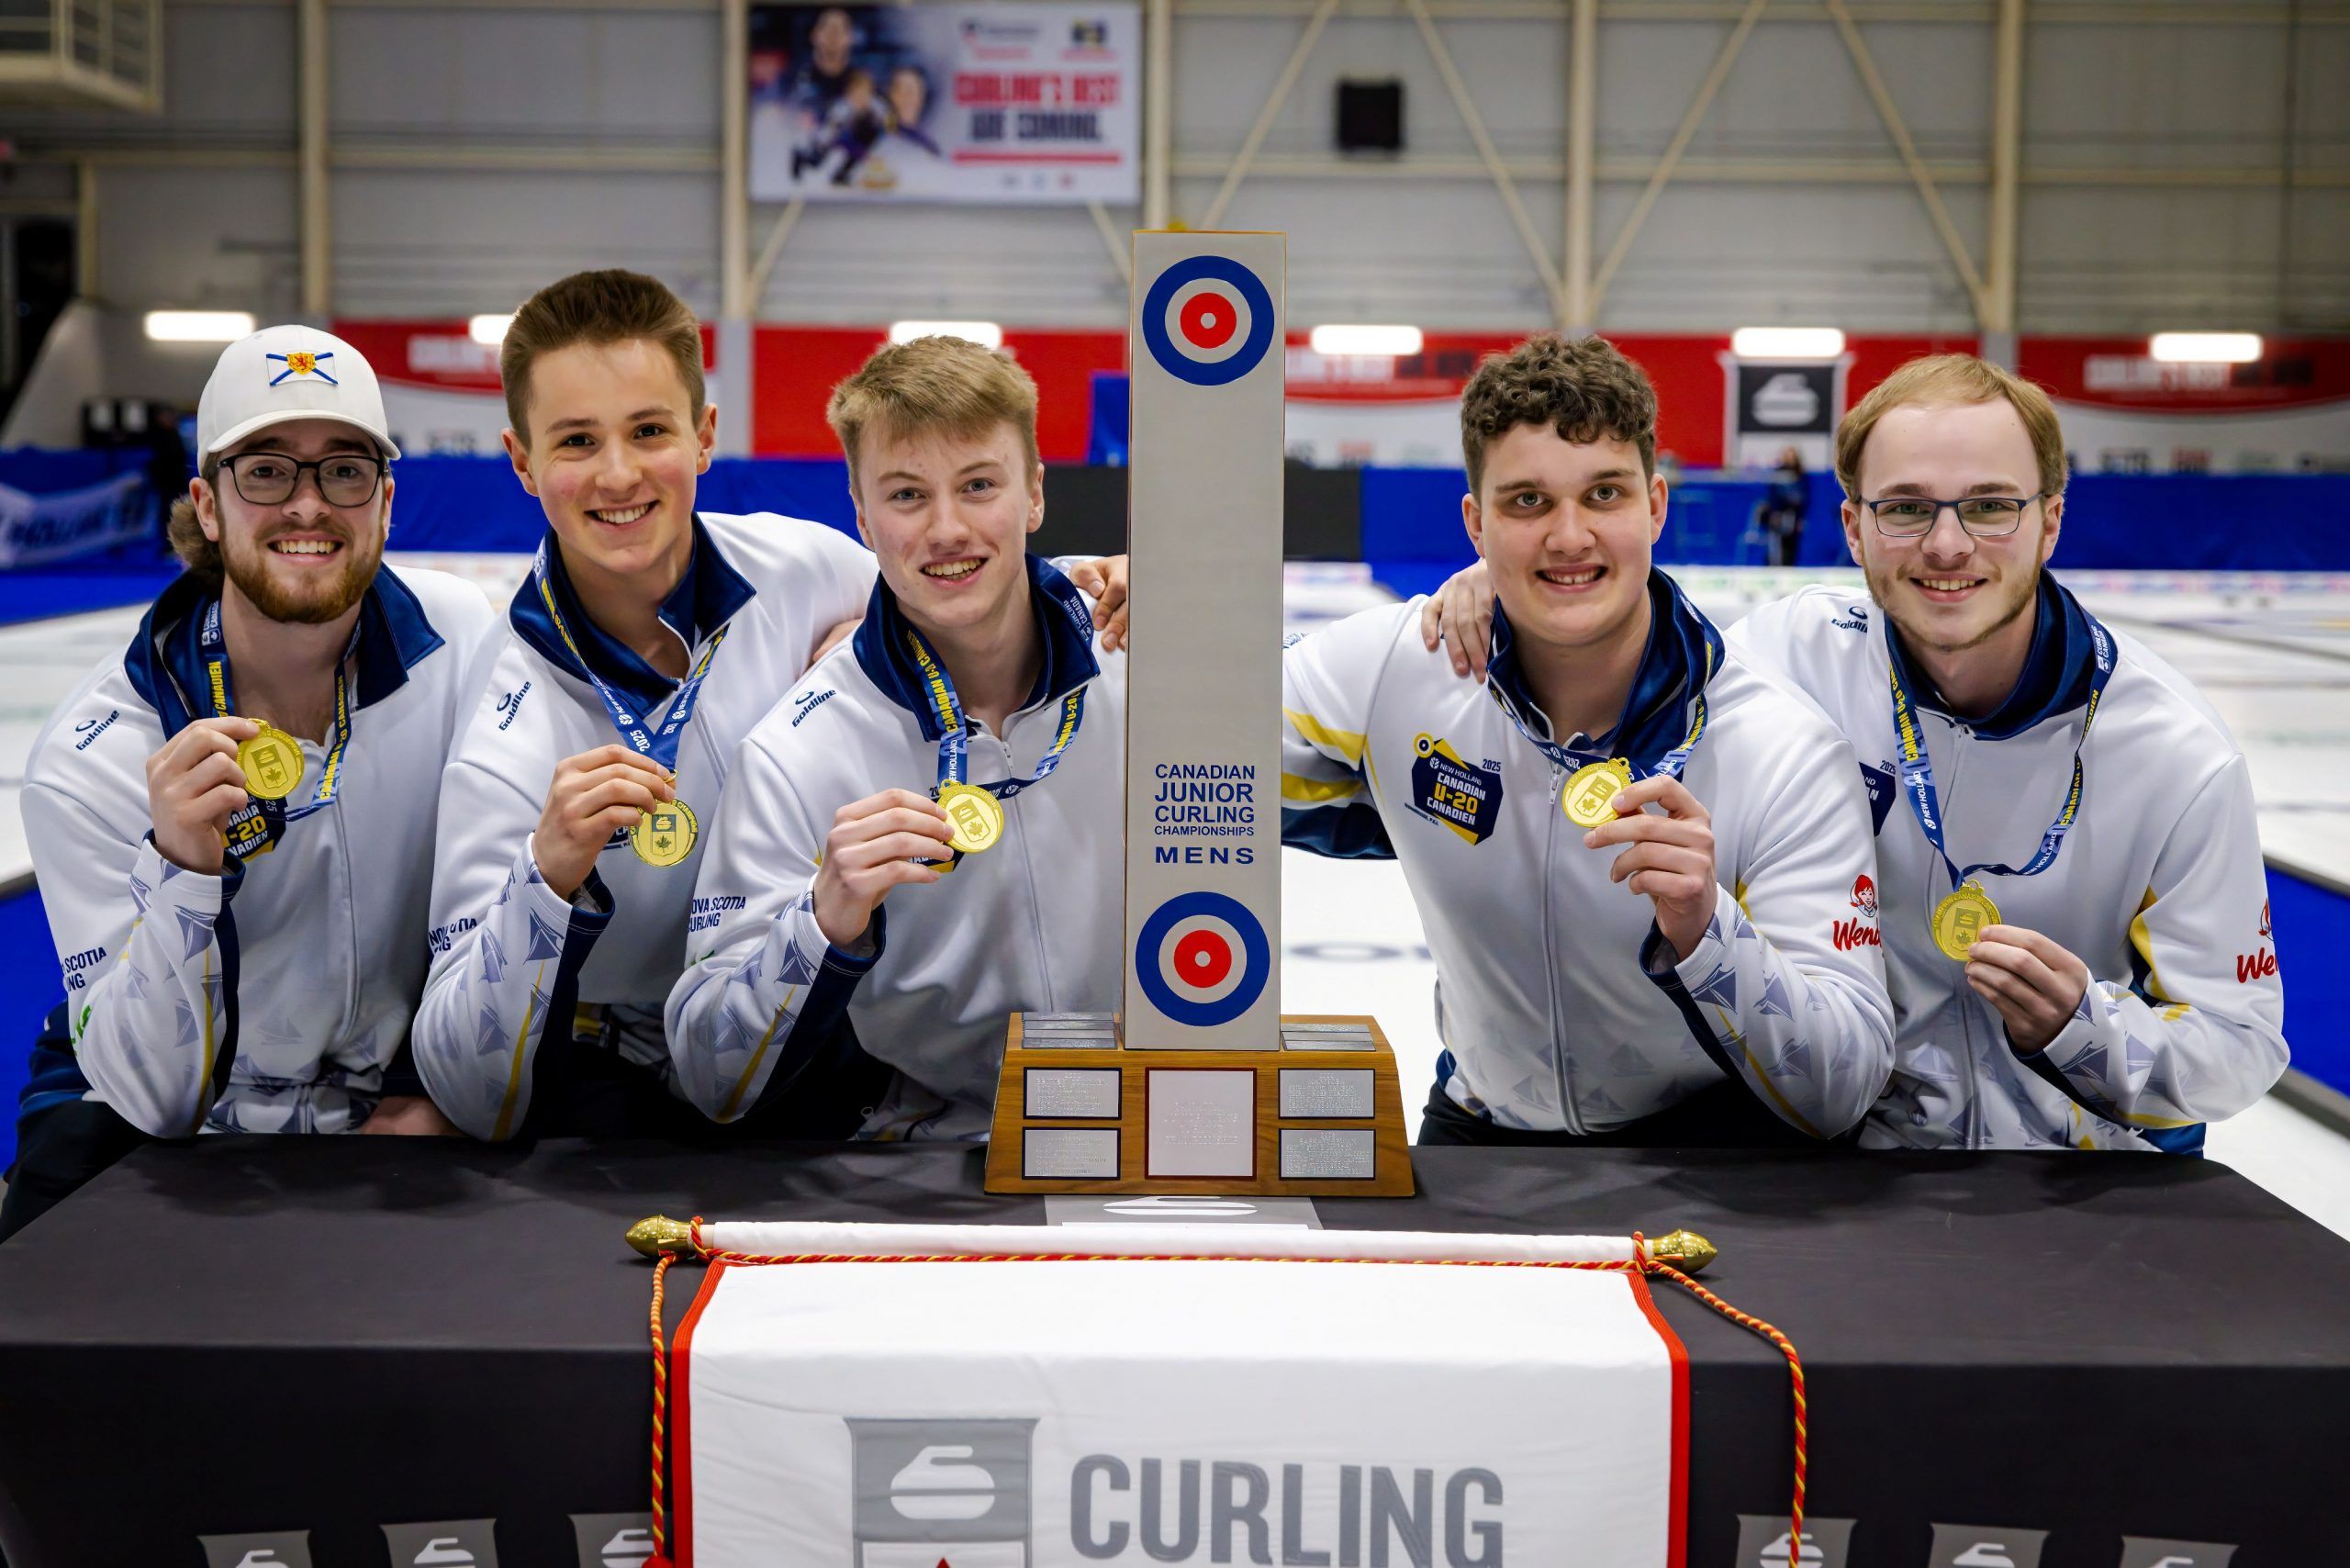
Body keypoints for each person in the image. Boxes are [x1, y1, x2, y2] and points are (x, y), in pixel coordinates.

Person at [413, 274, 1123, 1140]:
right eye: (575, 441)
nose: (618, 473)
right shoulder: (505, 726)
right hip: (607, 1084)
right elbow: (463, 1078)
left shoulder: (803, 567)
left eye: (648, 431)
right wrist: (547, 875)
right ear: (521, 462)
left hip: (813, 1057)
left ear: (704, 437)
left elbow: (956, 573)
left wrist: (1105, 583)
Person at [1286, 332, 1894, 1146]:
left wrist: (1709, 933)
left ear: (1656, 506)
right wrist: (1146, 608)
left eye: (1603, 494)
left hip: (1715, 1164)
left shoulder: (1781, 748)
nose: (1569, 536)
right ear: (1476, 523)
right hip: (1480, 1133)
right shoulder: (1403, 665)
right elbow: (1177, 745)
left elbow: (1843, 1088)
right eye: (1527, 502)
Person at [3, 327, 500, 1238]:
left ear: (385, 502)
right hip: (152, 1114)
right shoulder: (97, 753)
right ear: (208, 503)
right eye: (266, 470)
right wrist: (182, 870)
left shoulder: (464, 644)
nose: (308, 506)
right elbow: (153, 1097)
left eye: (343, 471)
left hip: (397, 1104)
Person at [1727, 356, 2287, 1150]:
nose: (1948, 545)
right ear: (1853, 527)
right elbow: (1625, 661)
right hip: (1845, 1175)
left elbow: (2240, 1049)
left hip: (2077, 1190)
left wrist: (2080, 1029)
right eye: (1907, 509)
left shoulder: (2174, 757)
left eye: (1991, 506)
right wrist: (1497, 606)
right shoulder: (1790, 658)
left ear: (2050, 520)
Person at [666, 336, 1125, 1139]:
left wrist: (1430, 615)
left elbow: (1354, 736)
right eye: (908, 495)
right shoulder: (799, 751)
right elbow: (709, 1074)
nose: (948, 528)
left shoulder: (1143, 658)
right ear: (861, 516)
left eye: (979, 485)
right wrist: (822, 920)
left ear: (1036, 494)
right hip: (938, 1167)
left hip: (1163, 1130)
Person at [1759, 445, 1807, 567]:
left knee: (1790, 544)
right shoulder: (1778, 473)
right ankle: (1772, 565)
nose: (1790, 459)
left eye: (1792, 456)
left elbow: (1805, 498)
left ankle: (1788, 567)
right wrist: (1774, 513)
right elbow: (1773, 495)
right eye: (1788, 455)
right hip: (1778, 515)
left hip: (1793, 516)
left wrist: (1800, 518)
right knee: (1774, 543)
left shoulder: (1801, 475)